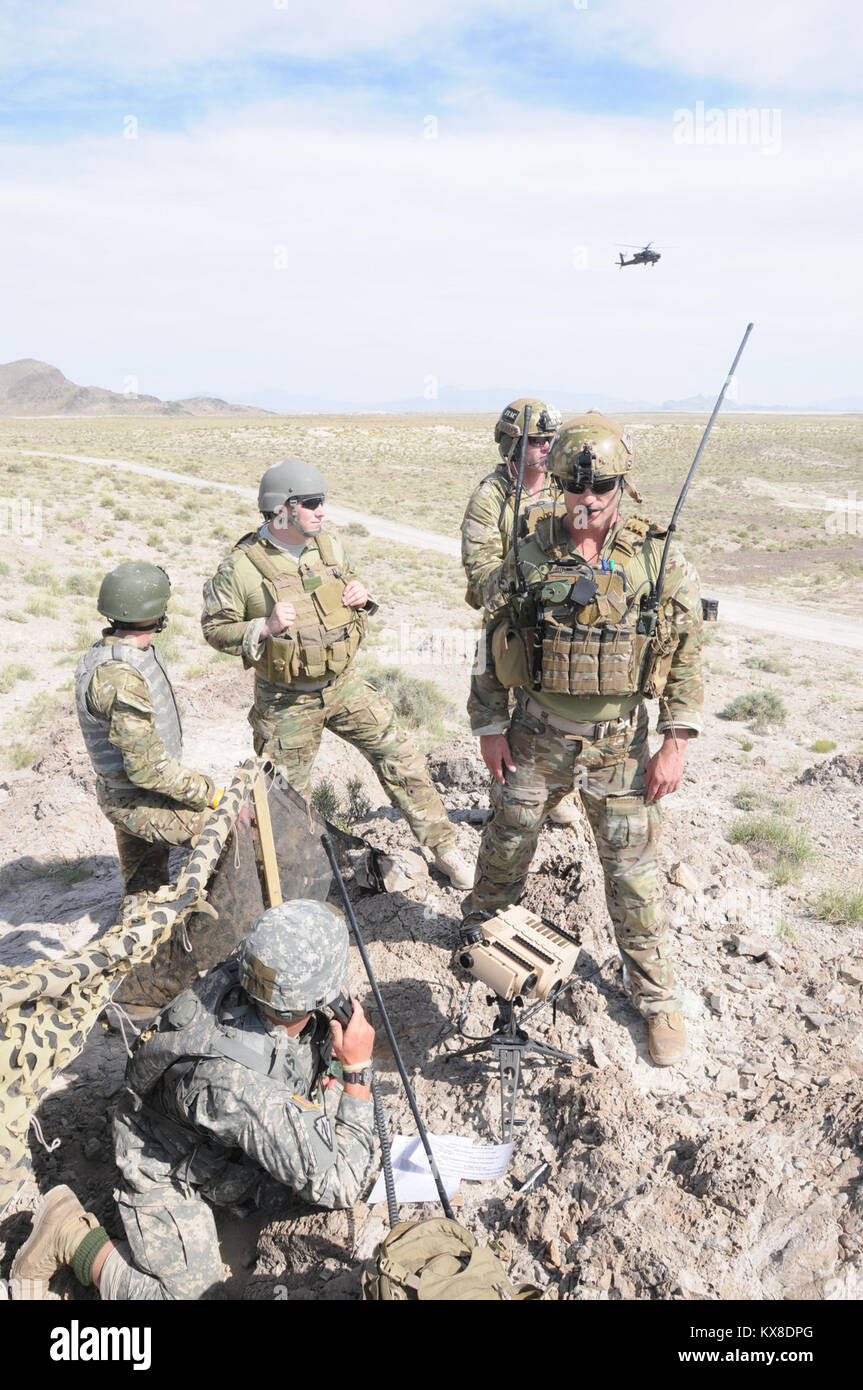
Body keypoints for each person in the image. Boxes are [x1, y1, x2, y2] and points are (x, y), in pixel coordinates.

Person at [464, 413, 704, 1066]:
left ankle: (655, 1000)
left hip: (619, 744)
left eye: (600, 488)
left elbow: (686, 653)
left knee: (632, 874)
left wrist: (675, 743)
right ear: (560, 484)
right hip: (536, 731)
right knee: (507, 839)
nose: (587, 501)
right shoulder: (531, 547)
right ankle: (481, 938)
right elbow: (495, 641)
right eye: (575, 486)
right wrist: (489, 727)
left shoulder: (655, 554)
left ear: (621, 485)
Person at [11, 901, 378, 1300]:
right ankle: (68, 1235)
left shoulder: (254, 965)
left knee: (296, 1166)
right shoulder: (241, 1090)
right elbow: (341, 1185)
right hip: (161, 1156)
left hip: (209, 1118)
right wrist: (356, 1068)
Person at [201, 458, 472, 889]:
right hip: (286, 701)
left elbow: (350, 591)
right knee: (285, 803)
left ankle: (445, 849)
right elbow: (214, 629)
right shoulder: (241, 568)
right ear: (281, 510)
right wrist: (264, 627)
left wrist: (362, 598)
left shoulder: (329, 547)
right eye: (312, 503)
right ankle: (295, 885)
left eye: (322, 501)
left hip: (342, 686)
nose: (322, 511)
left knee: (401, 757)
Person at [461, 398, 579, 829]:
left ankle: (556, 792)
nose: (545, 448)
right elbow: (480, 574)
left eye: (551, 439)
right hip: (509, 625)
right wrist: (526, 574)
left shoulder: (562, 488)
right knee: (504, 721)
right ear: (511, 444)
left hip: (556, 621)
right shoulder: (489, 499)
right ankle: (508, 806)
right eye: (536, 440)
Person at [75, 561, 221, 896]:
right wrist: (210, 794)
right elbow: (147, 769)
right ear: (157, 611)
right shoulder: (120, 674)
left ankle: (138, 935)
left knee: (145, 888)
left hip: (133, 794)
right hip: (136, 799)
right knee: (229, 830)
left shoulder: (114, 655)